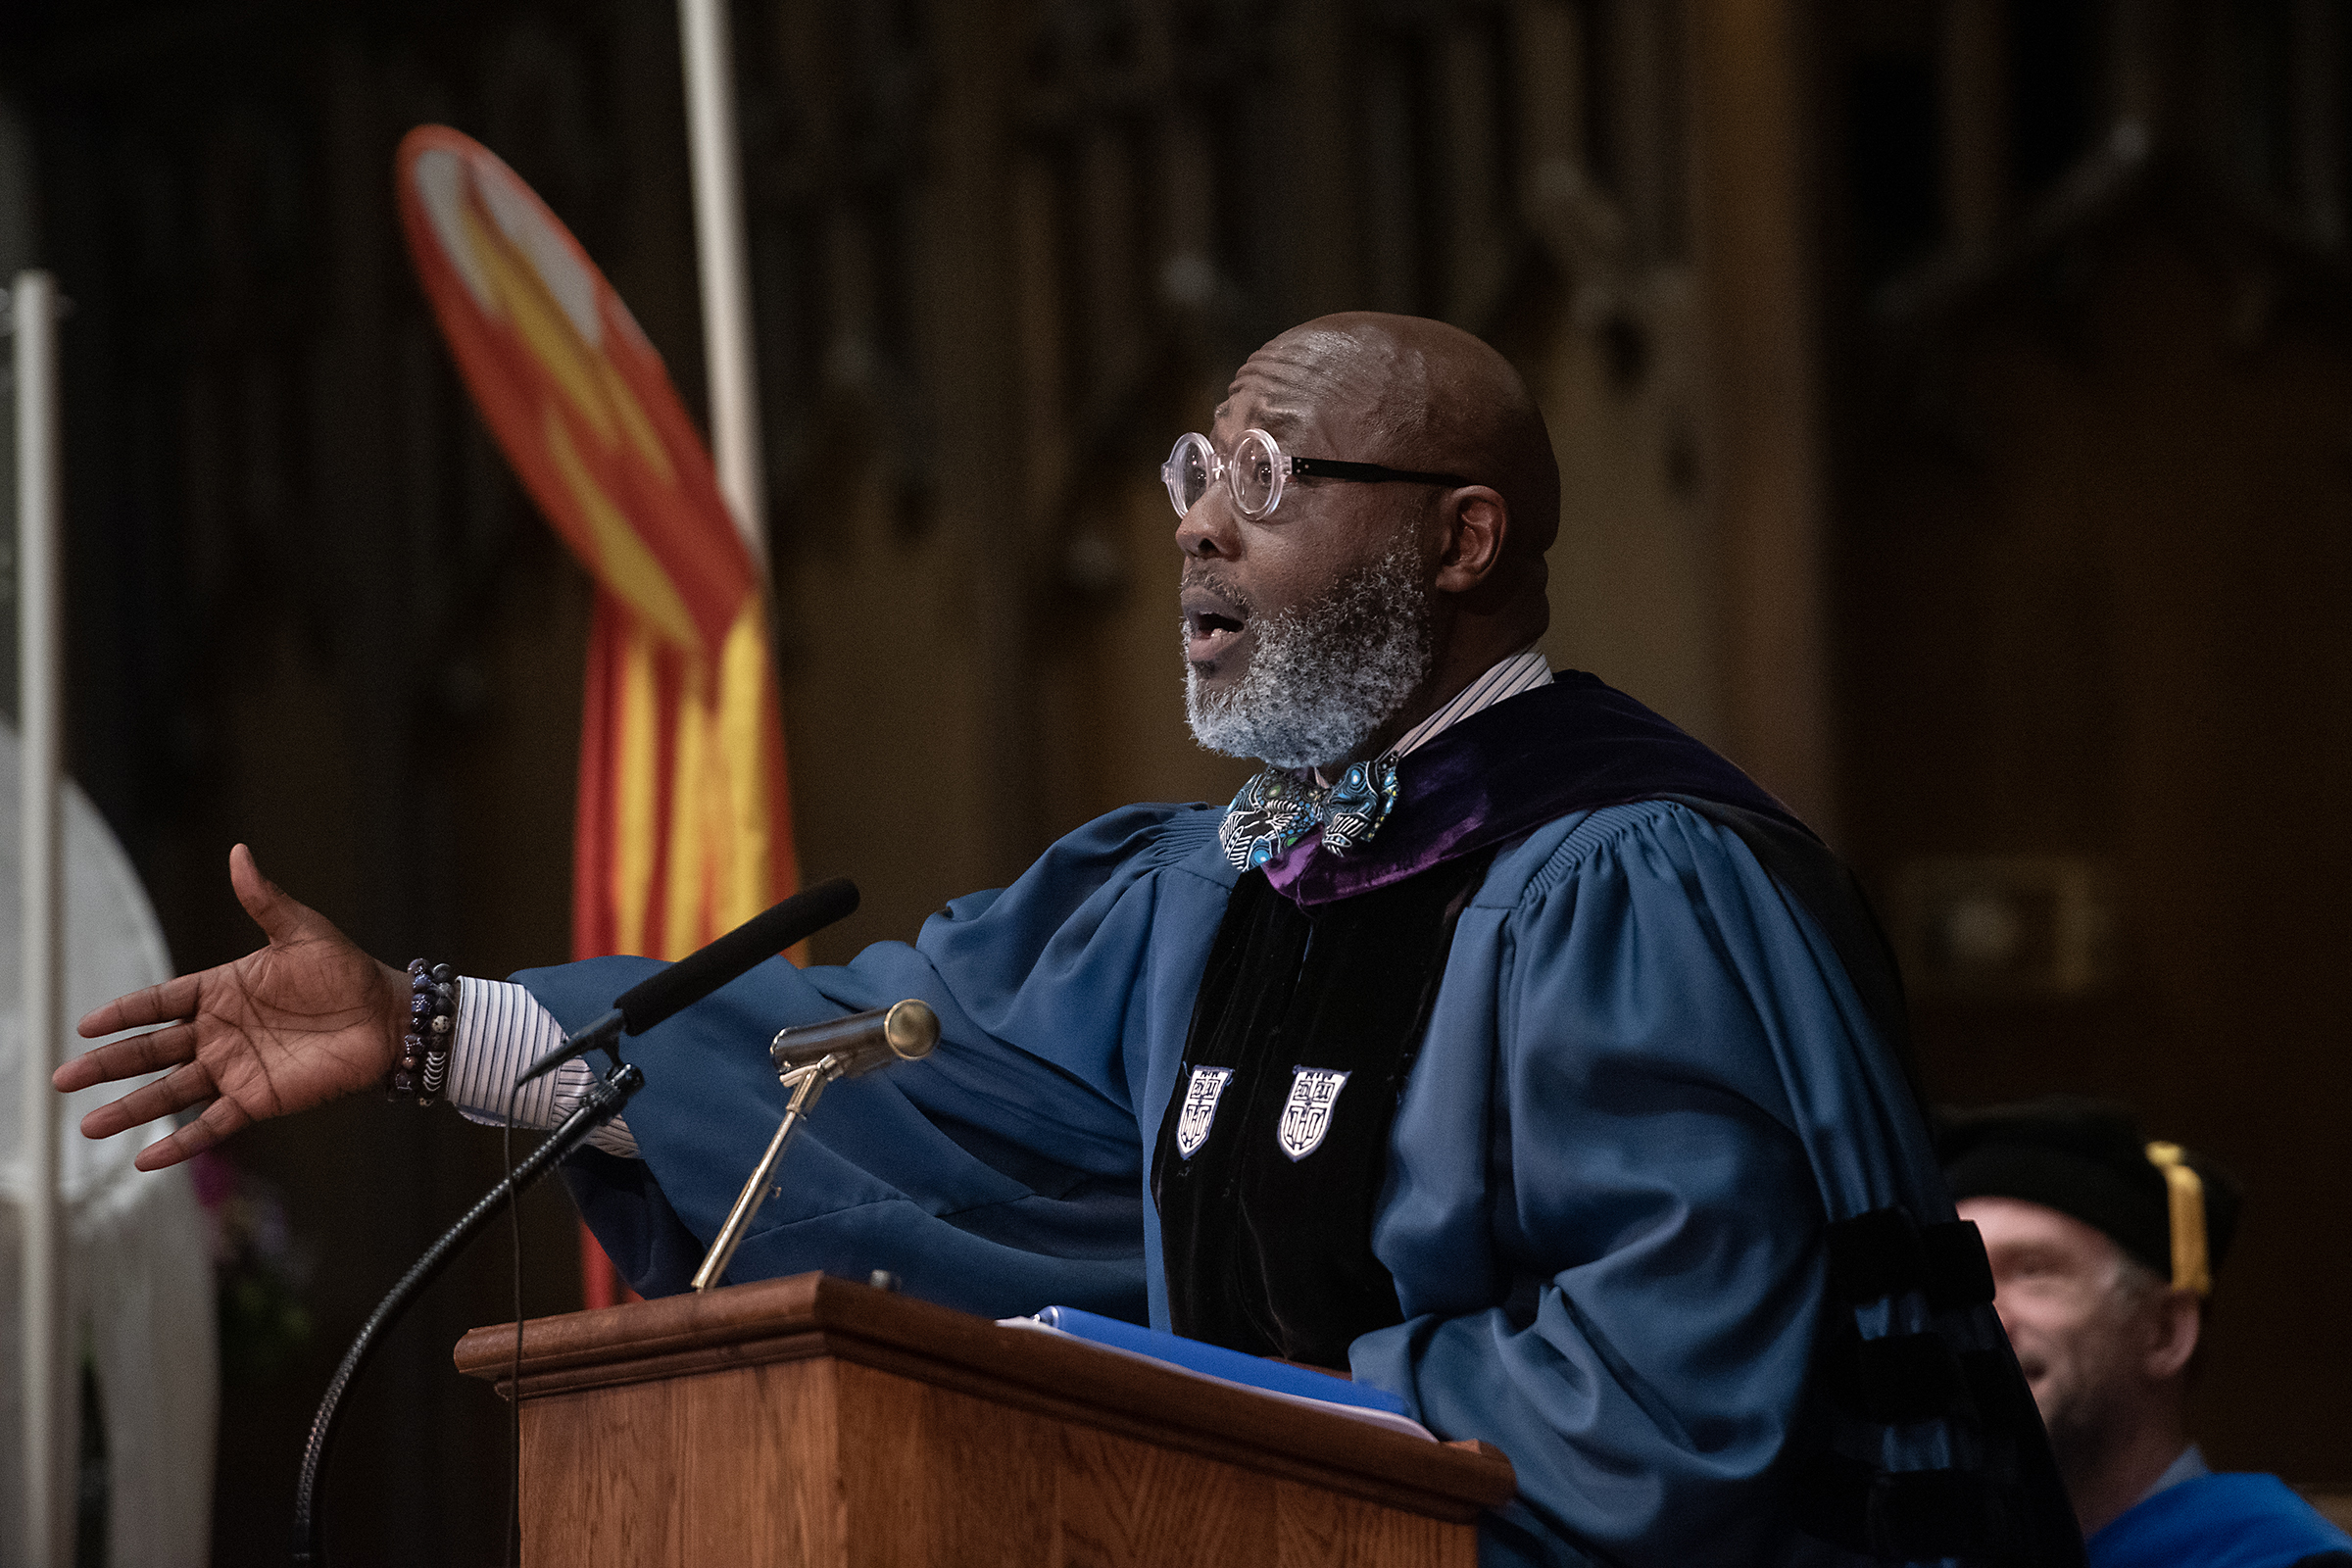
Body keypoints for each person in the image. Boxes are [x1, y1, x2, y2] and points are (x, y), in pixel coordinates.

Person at [60, 314, 2082, 1566]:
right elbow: (893, 1075)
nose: (1199, 529)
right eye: (1195, 475)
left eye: (1269, 481)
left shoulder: (1633, 881)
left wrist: (1259, 1428)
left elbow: (1668, 1399)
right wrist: (434, 1025)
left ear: (1465, 540)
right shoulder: (1210, 884)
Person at [1943, 1099, 2352, 1568]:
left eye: (2034, 1272)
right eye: (1960, 1284)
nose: (1980, 1319)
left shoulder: (2283, 1560)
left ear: (2164, 1331)